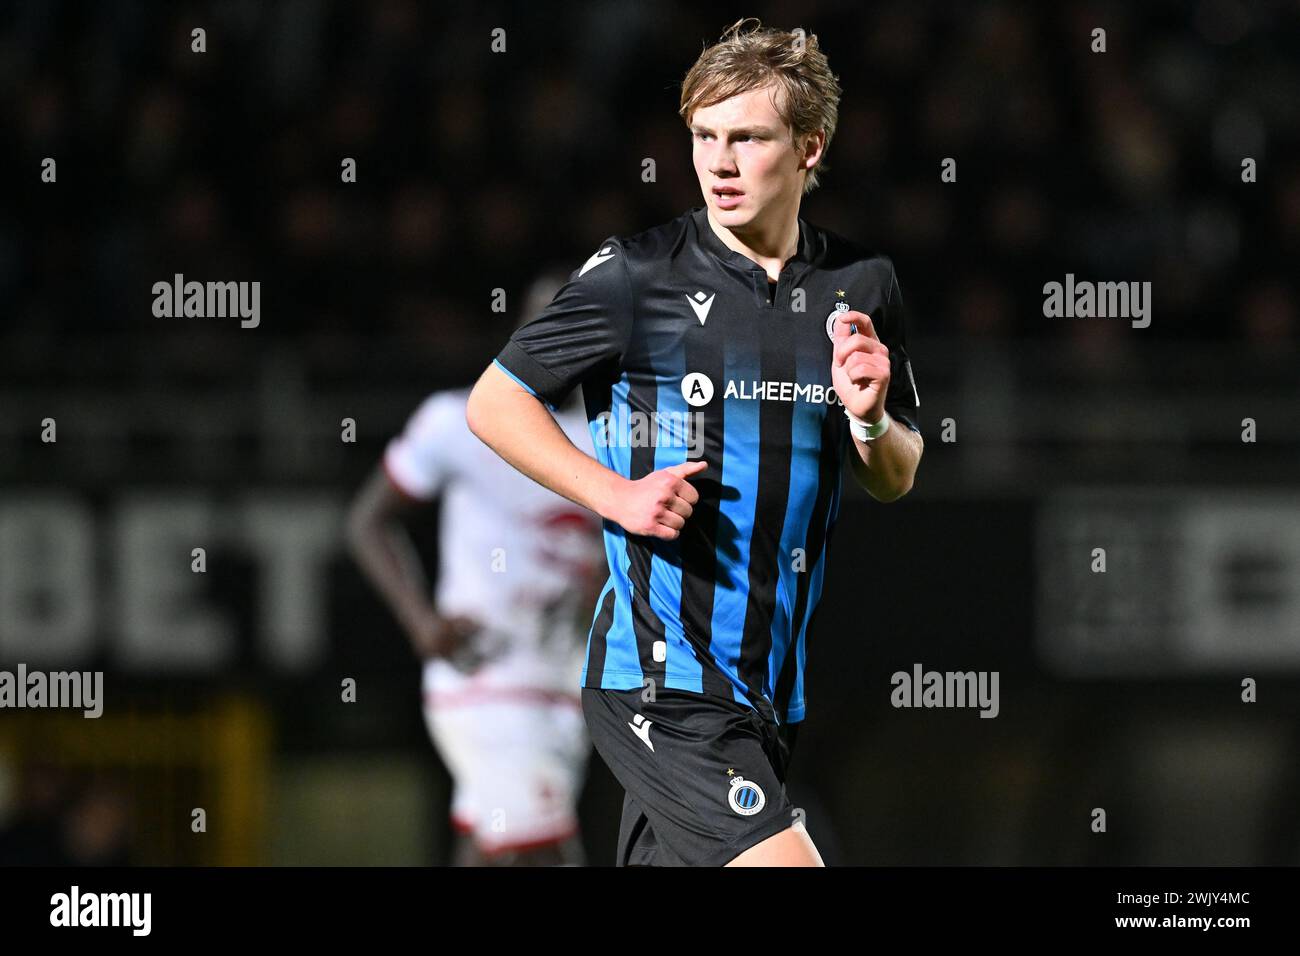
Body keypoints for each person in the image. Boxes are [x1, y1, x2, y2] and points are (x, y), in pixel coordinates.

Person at [465, 19, 923, 866]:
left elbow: (896, 475)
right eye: (704, 137)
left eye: (748, 138)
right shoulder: (637, 276)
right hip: (659, 682)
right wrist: (615, 494)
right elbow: (495, 402)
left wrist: (867, 416)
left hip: (771, 699)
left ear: (809, 148)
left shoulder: (862, 286)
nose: (719, 161)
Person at [347, 275, 604, 866]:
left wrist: (609, 583)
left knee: (491, 847)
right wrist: (419, 622)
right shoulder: (461, 419)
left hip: (565, 681)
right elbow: (367, 523)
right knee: (545, 854)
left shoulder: (610, 438)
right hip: (486, 676)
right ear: (520, 329)